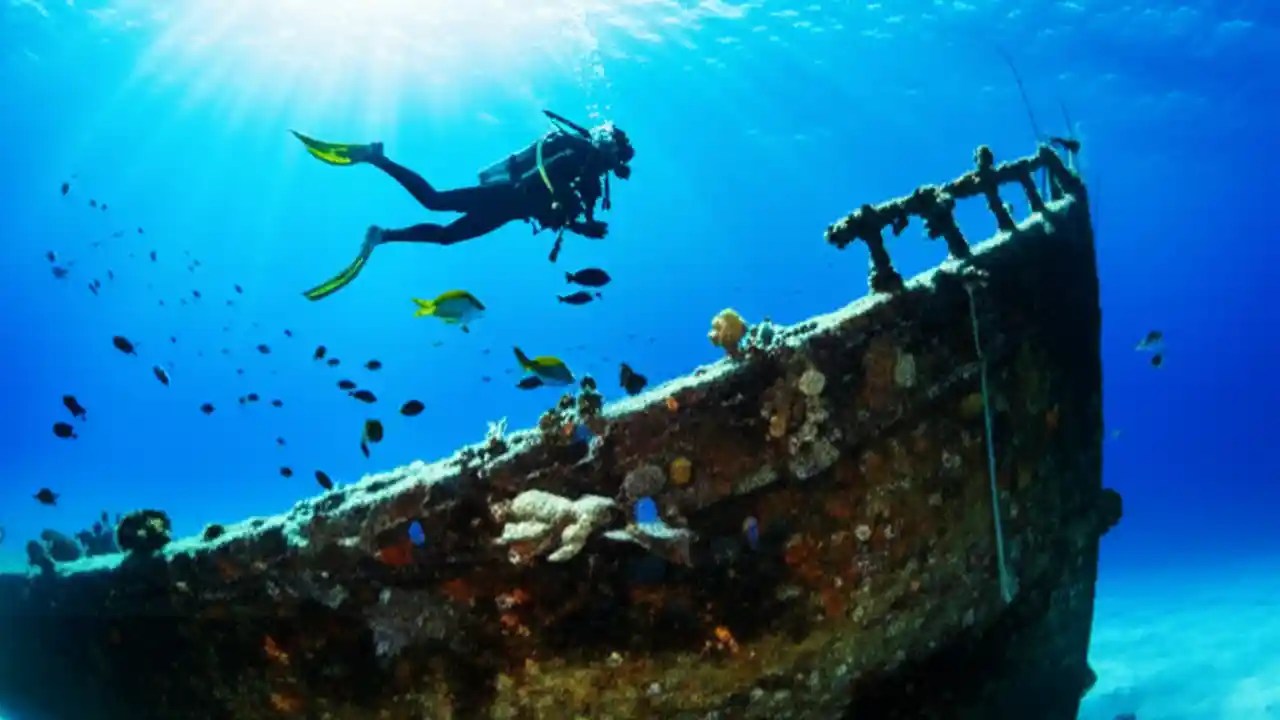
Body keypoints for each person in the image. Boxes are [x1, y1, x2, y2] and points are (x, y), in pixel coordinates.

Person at [293, 110, 635, 301]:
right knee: (435, 200)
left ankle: (383, 235)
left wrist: (581, 226)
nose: (616, 165)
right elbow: (549, 175)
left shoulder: (591, 178)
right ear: (608, 147)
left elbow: (559, 210)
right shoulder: (577, 151)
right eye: (618, 156)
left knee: (446, 236)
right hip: (509, 195)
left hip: (511, 210)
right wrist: (569, 208)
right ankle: (375, 157)